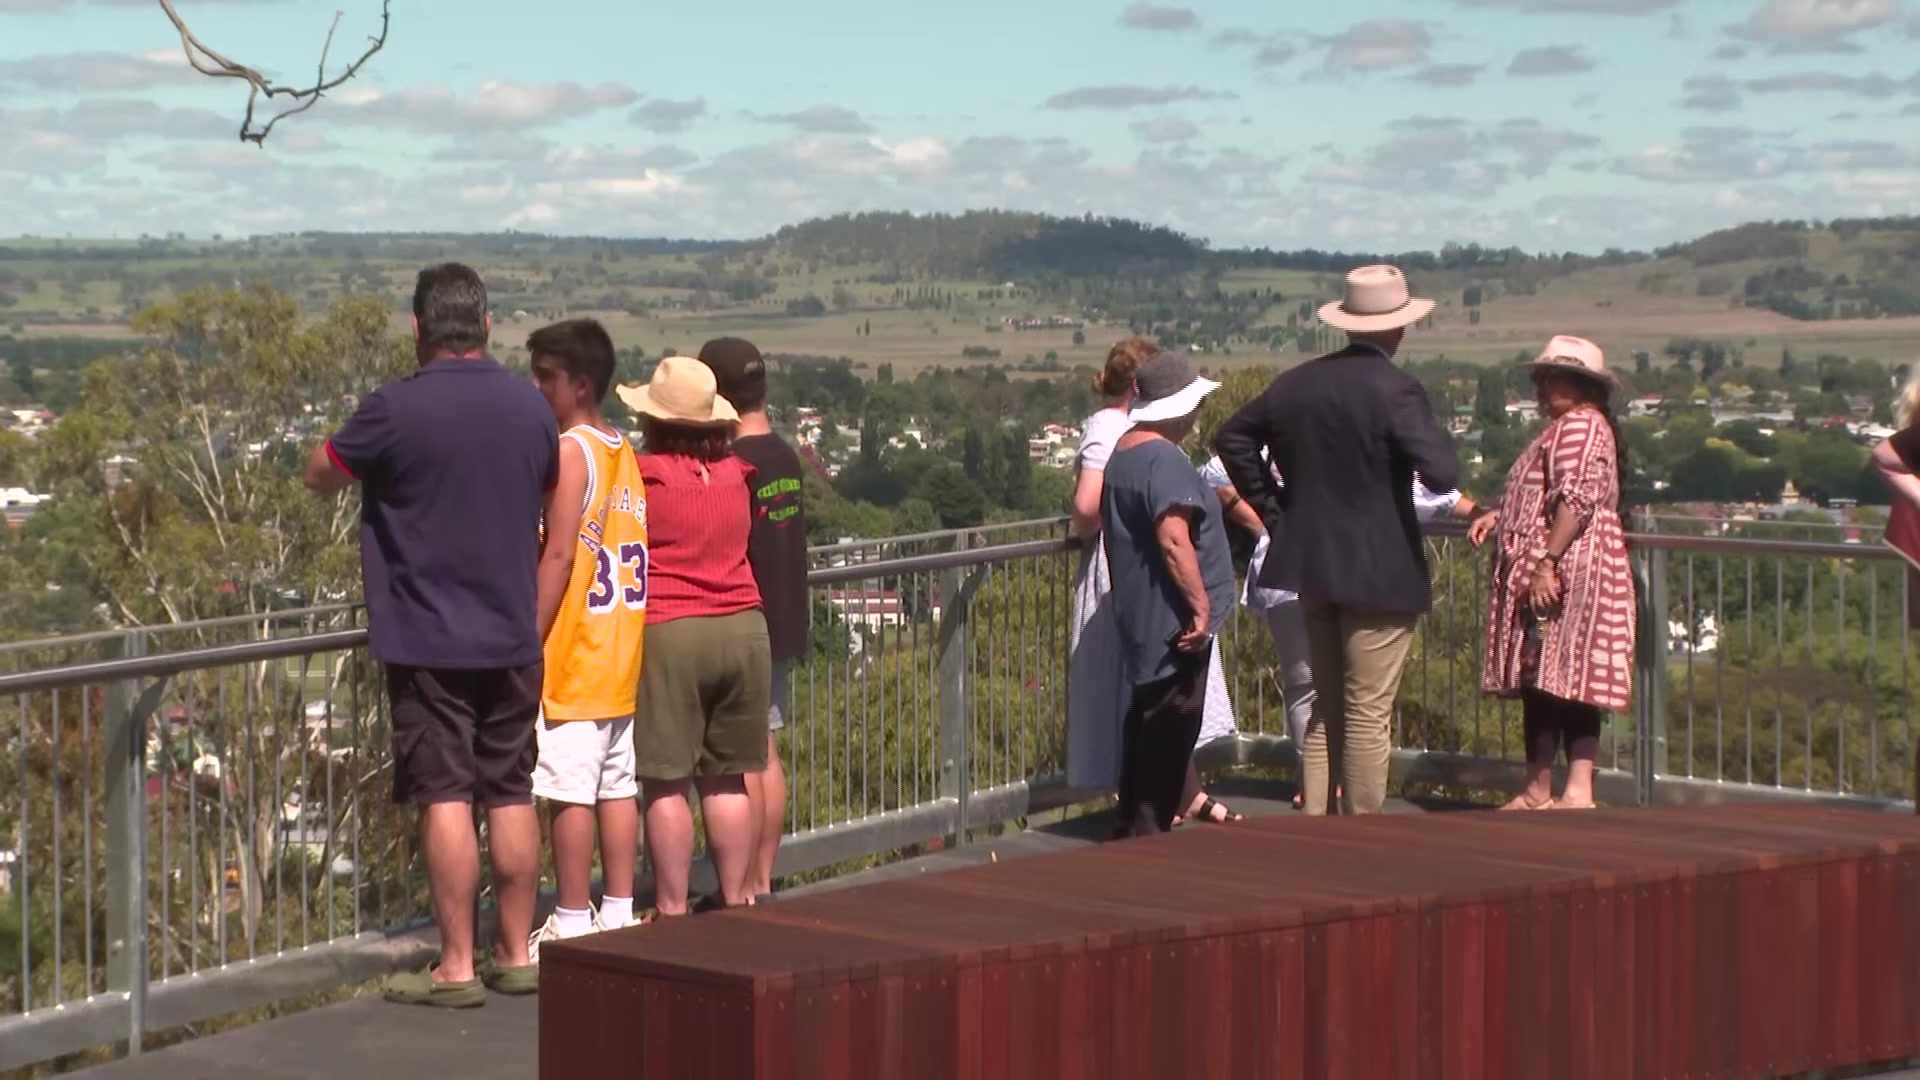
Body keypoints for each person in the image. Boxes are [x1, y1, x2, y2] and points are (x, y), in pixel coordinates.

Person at [302, 263, 554, 1006]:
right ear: (484, 324)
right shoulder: (531, 407)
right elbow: (543, 489)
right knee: (510, 789)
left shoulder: (393, 409)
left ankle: (455, 965)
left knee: (444, 792)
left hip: (428, 640)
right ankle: (515, 952)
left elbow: (323, 471)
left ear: (418, 329)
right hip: (513, 633)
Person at [1214, 264, 1459, 817]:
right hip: (1382, 571)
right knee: (1369, 713)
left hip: (1313, 565)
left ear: (1347, 324)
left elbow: (1231, 436)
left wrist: (1276, 509)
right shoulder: (1396, 390)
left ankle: (1316, 829)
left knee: (1327, 706)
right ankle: (1365, 844)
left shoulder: (1298, 383)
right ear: (1399, 328)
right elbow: (1442, 471)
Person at [1200, 451, 1483, 809]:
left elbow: (1215, 473)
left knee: (1304, 688)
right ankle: (1343, 785)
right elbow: (1417, 494)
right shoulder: (1354, 431)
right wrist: (1475, 511)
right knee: (1353, 689)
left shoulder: (1278, 431)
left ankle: (1314, 781)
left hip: (1284, 567)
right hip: (1341, 572)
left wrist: (1265, 526)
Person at [616, 357, 770, 915]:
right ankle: (735, 898)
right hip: (744, 628)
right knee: (727, 779)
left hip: (672, 629)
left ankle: (673, 908)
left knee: (666, 782)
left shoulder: (643, 475)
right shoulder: (736, 476)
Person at [1067, 338, 1240, 830]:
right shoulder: (1163, 461)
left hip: (1143, 622)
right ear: (1177, 408)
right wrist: (1201, 610)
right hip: (1175, 627)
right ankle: (1147, 840)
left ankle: (1135, 829)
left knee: (1144, 731)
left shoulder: (1122, 453)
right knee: (1168, 734)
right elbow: (1173, 540)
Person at [1468, 335, 1635, 811]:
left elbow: (1576, 499)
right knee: (1546, 677)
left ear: (1582, 386)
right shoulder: (1569, 426)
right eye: (1540, 380)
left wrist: (1546, 563)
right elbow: (1548, 494)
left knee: (1570, 676)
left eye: (1551, 379)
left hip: (1571, 568)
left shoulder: (1581, 426)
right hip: (1564, 563)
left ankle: (1574, 790)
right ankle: (1540, 789)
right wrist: (1501, 513)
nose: (1541, 389)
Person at [522, 319, 646, 959]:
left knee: (569, 792)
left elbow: (560, 554)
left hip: (574, 654)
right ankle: (620, 909)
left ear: (582, 383)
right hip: (620, 650)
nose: (537, 387)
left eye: (547, 376)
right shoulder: (621, 448)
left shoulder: (572, 452)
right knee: (617, 786)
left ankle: (572, 916)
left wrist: (525, 639)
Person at [699, 337, 807, 902]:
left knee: (747, 757)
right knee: (767, 752)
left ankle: (742, 885)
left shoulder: (735, 465)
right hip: (786, 617)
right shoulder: (785, 455)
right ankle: (762, 878)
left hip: (748, 619)